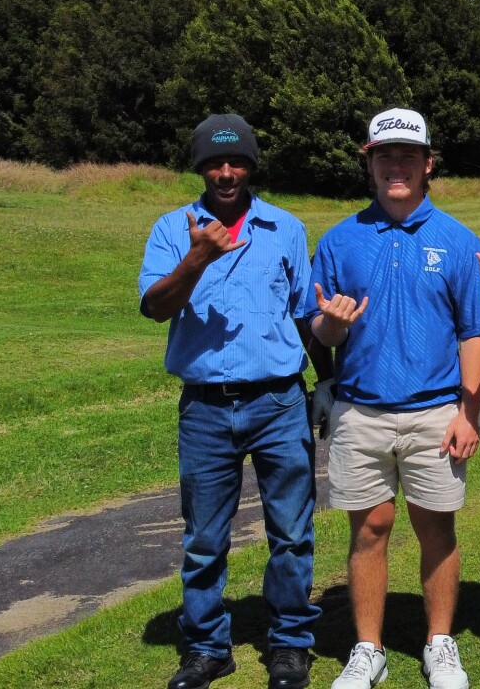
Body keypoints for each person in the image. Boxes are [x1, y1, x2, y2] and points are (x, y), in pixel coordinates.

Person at [139, 114, 322, 689]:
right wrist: (197, 258)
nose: (225, 173)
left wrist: (330, 385)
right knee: (203, 539)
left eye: (236, 162)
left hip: (279, 402)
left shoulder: (285, 228)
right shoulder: (173, 229)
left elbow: (304, 315)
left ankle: (290, 645)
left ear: (250, 166)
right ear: (199, 168)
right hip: (206, 409)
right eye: (214, 163)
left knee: (291, 532)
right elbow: (155, 306)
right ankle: (207, 648)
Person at [311, 107, 480, 689]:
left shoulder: (456, 240)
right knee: (369, 530)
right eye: (384, 155)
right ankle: (369, 650)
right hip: (361, 409)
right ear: (370, 162)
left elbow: (473, 332)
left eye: (407, 156)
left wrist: (469, 413)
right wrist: (331, 327)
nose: (396, 166)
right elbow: (324, 332)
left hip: (437, 411)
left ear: (427, 163)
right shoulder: (340, 240)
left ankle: (439, 643)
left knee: (436, 529)